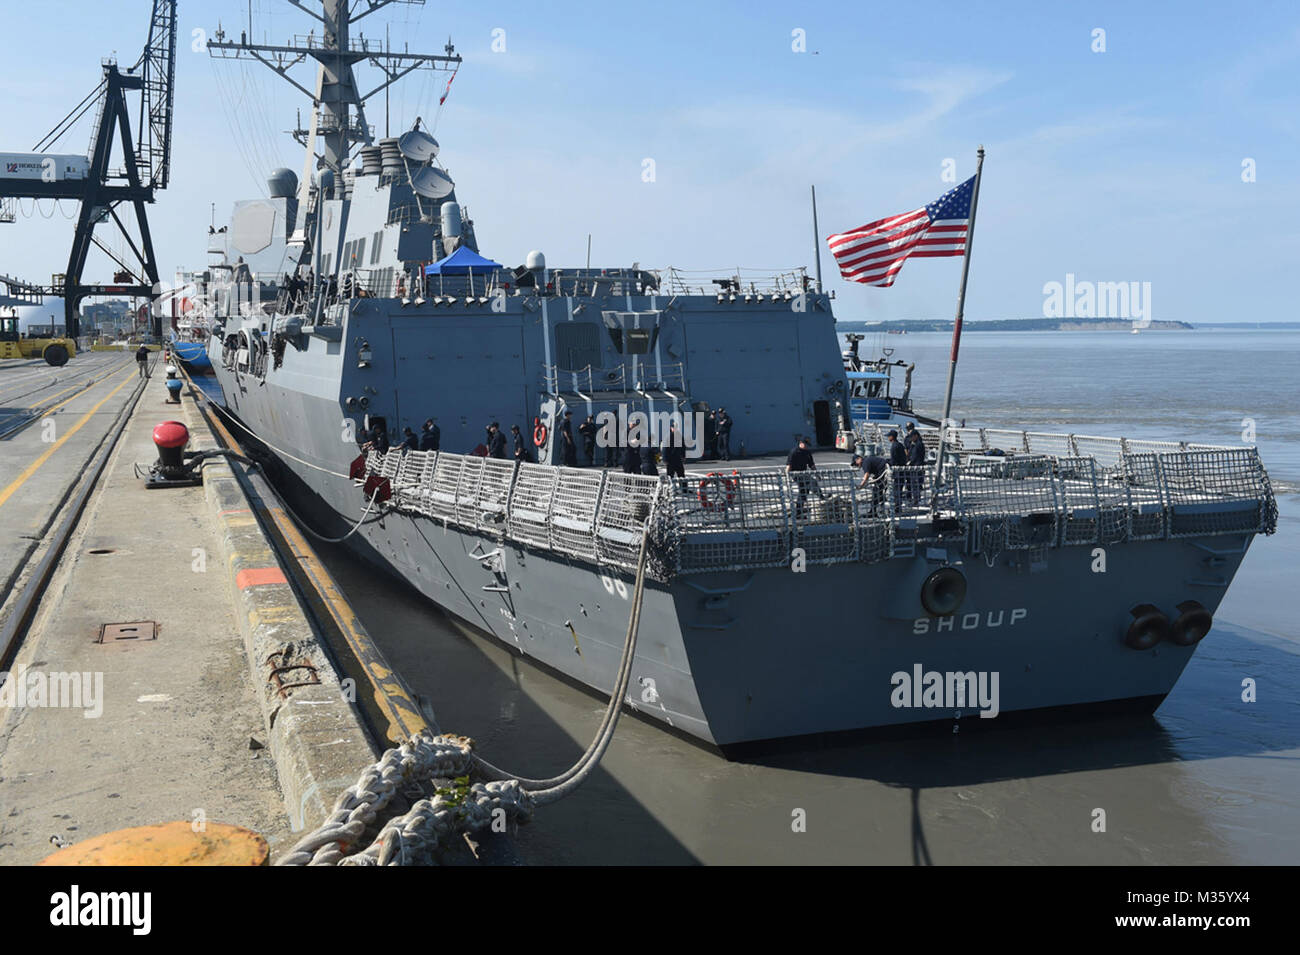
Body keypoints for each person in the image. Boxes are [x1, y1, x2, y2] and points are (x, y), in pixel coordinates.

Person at [786, 436, 818, 518]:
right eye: (805, 444)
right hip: (795, 474)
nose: (806, 446)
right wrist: (787, 476)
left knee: (805, 490)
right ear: (800, 443)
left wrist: (817, 473)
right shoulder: (794, 452)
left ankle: (799, 510)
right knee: (805, 487)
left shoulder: (807, 452)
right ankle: (821, 497)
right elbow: (789, 465)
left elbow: (811, 464)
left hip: (803, 473)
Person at [904, 422, 926, 503]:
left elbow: (916, 455)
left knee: (915, 483)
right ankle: (912, 497)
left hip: (916, 465)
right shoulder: (913, 441)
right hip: (914, 465)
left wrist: (909, 461)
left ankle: (916, 499)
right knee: (912, 482)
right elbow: (907, 450)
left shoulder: (918, 444)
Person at [887, 429, 908, 510]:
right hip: (902, 470)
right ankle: (898, 505)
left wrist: (888, 462)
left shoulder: (894, 446)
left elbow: (894, 460)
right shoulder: (900, 445)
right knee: (899, 488)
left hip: (897, 471)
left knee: (896, 489)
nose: (888, 438)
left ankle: (897, 507)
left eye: (889, 436)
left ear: (892, 437)